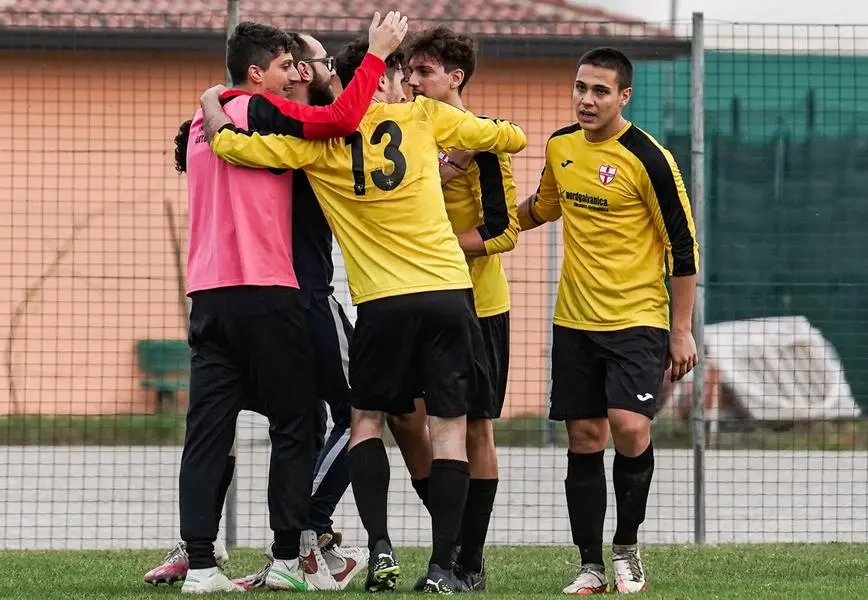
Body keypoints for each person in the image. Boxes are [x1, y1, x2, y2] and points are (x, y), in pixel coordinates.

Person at [200, 35, 527, 594]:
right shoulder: (425, 117)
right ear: (385, 80)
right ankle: (445, 568)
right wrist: (461, 135)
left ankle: (378, 549)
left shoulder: (316, 147)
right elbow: (511, 137)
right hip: (448, 293)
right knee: (450, 432)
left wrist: (212, 102)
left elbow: (232, 147)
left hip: (380, 303)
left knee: (366, 421)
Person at [172, 13, 408, 594]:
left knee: (206, 431)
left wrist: (210, 98)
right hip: (268, 292)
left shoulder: (203, 121)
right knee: (298, 424)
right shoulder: (260, 110)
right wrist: (377, 53)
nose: (293, 74)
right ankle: (289, 555)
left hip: (206, 295)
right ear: (258, 73)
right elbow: (340, 118)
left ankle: (200, 565)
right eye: (284, 66)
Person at [517, 47, 699, 595]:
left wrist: (682, 328)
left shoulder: (650, 158)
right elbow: (543, 207)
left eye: (600, 91)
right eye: (580, 88)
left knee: (629, 426)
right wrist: (485, 231)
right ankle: (590, 565)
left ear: (624, 96)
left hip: (638, 317)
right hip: (574, 319)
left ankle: (627, 548)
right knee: (584, 436)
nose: (587, 100)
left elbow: (684, 249)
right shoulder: (559, 146)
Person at [229, 31, 371, 592]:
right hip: (304, 296)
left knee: (307, 423)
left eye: (298, 62)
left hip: (278, 297)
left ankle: (301, 541)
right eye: (298, 63)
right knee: (361, 408)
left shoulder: (304, 128)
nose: (301, 70)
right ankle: (305, 529)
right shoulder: (291, 125)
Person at [381, 26, 519, 592]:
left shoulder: (481, 139)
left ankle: (469, 560)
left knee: (474, 430)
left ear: (454, 78)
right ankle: (450, 539)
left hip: (477, 308)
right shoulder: (411, 133)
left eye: (424, 73)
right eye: (408, 72)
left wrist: (437, 243)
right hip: (414, 300)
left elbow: (502, 230)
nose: (412, 82)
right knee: (404, 417)